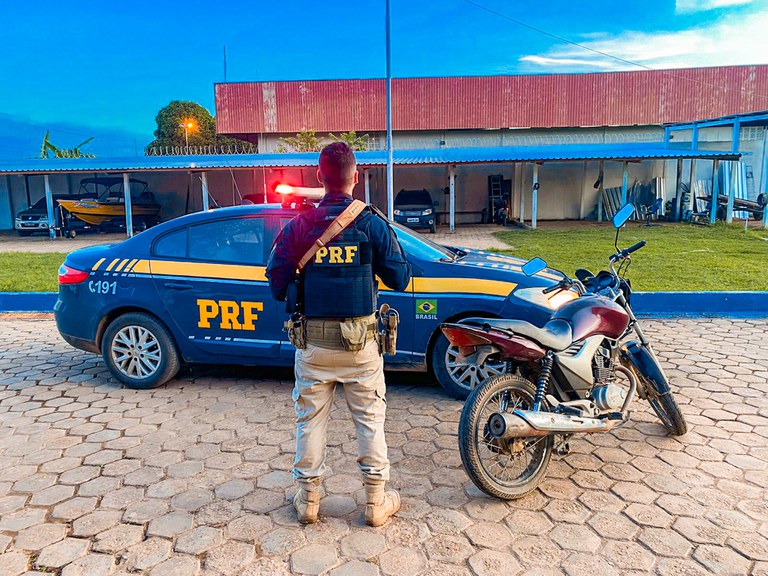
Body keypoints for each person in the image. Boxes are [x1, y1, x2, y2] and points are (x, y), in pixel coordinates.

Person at [266, 142, 411, 526]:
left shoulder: (300, 225)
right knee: (370, 420)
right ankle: (376, 503)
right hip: (362, 345)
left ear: (319, 177)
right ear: (356, 176)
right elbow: (400, 277)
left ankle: (309, 501)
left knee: (309, 420)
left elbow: (276, 282)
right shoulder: (372, 223)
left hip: (313, 344)